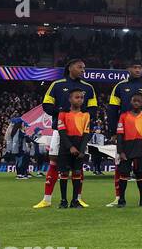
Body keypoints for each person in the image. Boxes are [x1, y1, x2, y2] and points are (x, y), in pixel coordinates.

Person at [33, 58, 99, 209]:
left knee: (78, 165)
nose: (83, 70)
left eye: (84, 67)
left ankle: (78, 199)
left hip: (80, 133)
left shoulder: (88, 87)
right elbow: (47, 105)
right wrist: (62, 112)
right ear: (70, 67)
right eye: (80, 67)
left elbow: (93, 108)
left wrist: (80, 115)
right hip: (60, 131)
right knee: (55, 163)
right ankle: (47, 199)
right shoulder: (57, 84)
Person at [106, 60, 142, 200]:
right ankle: (118, 198)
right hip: (124, 133)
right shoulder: (120, 86)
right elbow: (112, 110)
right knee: (120, 165)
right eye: (135, 67)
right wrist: (113, 132)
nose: (138, 70)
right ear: (128, 69)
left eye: (140, 68)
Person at [55, 89, 92, 209]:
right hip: (66, 147)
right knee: (64, 173)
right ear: (70, 99)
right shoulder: (63, 114)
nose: (80, 99)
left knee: (77, 172)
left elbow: (86, 133)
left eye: (81, 97)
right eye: (77, 97)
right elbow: (62, 132)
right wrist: (70, 147)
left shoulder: (86, 115)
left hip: (79, 145)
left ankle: (75, 201)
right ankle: (63, 200)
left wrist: (82, 150)